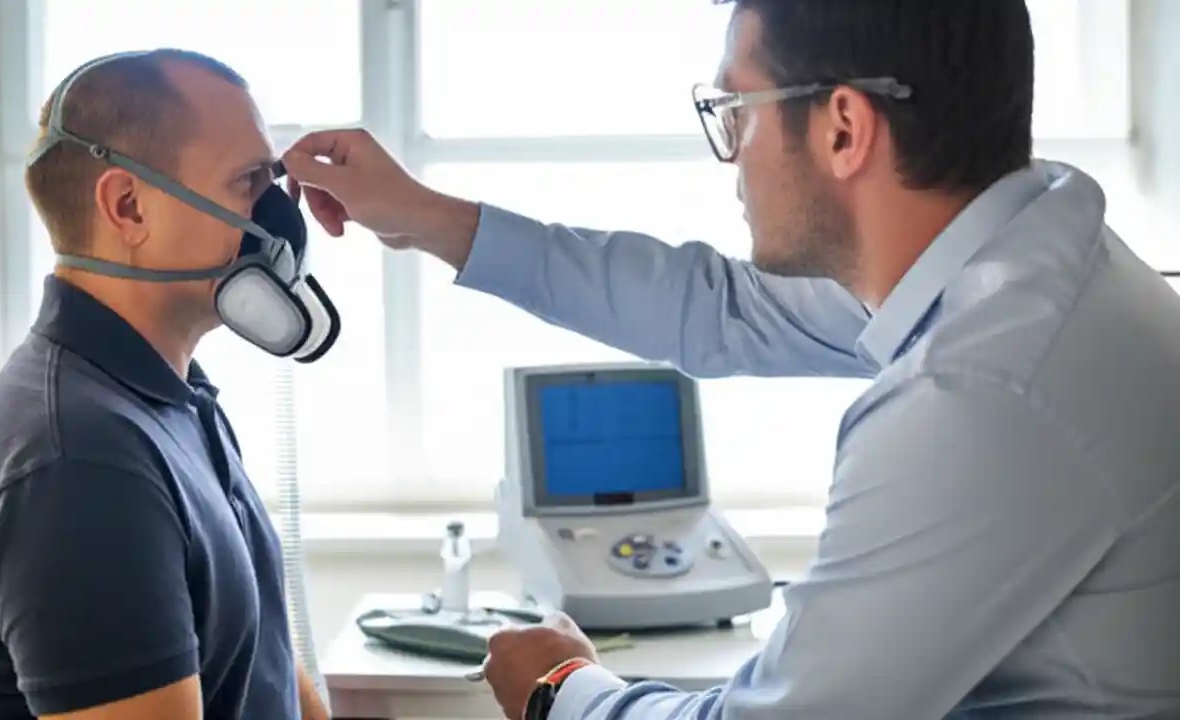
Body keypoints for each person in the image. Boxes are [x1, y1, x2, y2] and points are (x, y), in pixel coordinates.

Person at [279, 0, 1180, 718]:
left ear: (843, 128)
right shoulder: (1030, 260)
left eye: (735, 112)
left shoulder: (976, 392)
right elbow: (718, 308)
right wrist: (429, 219)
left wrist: (563, 690)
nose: (730, 157)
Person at [0, 50, 334, 719]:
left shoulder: (172, 398)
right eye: (247, 181)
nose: (278, 219)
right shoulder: (77, 458)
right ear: (128, 206)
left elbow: (263, 665)